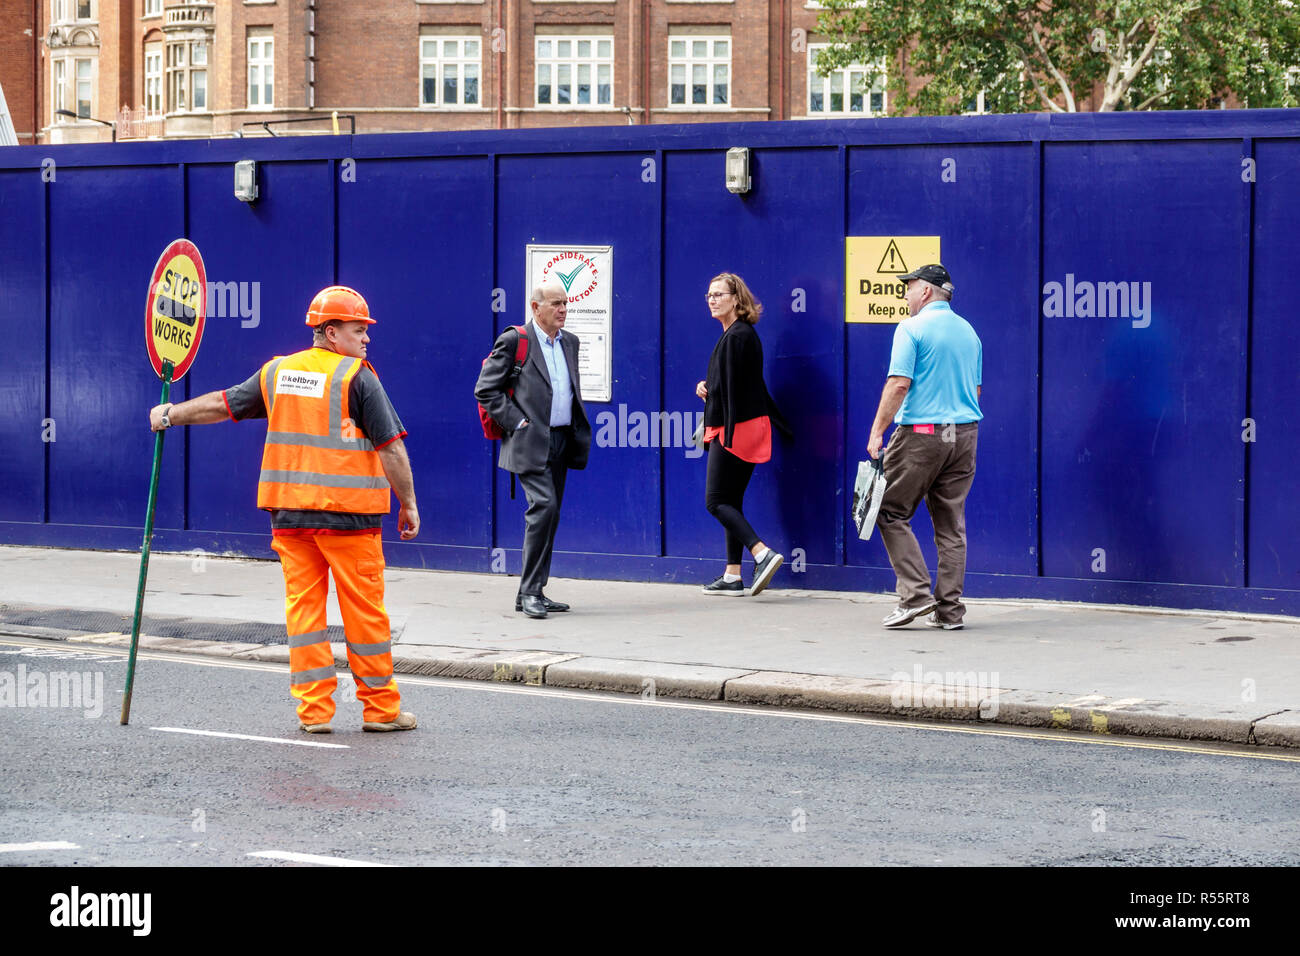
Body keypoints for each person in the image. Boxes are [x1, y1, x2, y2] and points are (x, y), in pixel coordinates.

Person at [148, 285, 420, 734]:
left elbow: (222, 404)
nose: (366, 338)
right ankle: (381, 711)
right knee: (364, 612)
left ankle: (314, 715)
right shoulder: (357, 376)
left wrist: (170, 414)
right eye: (358, 329)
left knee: (305, 614)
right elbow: (390, 447)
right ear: (331, 332)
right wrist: (408, 503)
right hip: (349, 520)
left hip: (291, 520)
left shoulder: (277, 373)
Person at [866, 264, 982, 629]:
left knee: (888, 511)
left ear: (927, 292)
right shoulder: (969, 332)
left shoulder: (911, 328)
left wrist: (876, 432)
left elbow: (899, 384)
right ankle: (950, 612)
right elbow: (975, 390)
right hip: (963, 435)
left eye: (910, 287)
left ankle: (915, 597)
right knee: (951, 526)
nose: (905, 295)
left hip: (921, 433)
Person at [475, 280, 592, 619]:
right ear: (535, 307)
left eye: (566, 304)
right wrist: (517, 422)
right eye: (556, 304)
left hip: (561, 439)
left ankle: (535, 589)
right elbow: (485, 390)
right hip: (528, 441)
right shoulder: (515, 340)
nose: (563, 310)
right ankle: (528, 592)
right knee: (544, 506)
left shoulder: (570, 341)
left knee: (550, 516)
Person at [695, 272, 790, 596]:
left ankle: (762, 553)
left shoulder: (737, 336)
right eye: (709, 295)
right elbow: (737, 384)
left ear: (736, 299)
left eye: (718, 294)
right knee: (731, 500)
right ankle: (733, 574)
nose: (712, 299)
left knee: (715, 501)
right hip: (744, 424)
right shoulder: (738, 334)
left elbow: (735, 388)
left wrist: (713, 398)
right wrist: (710, 389)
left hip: (735, 427)